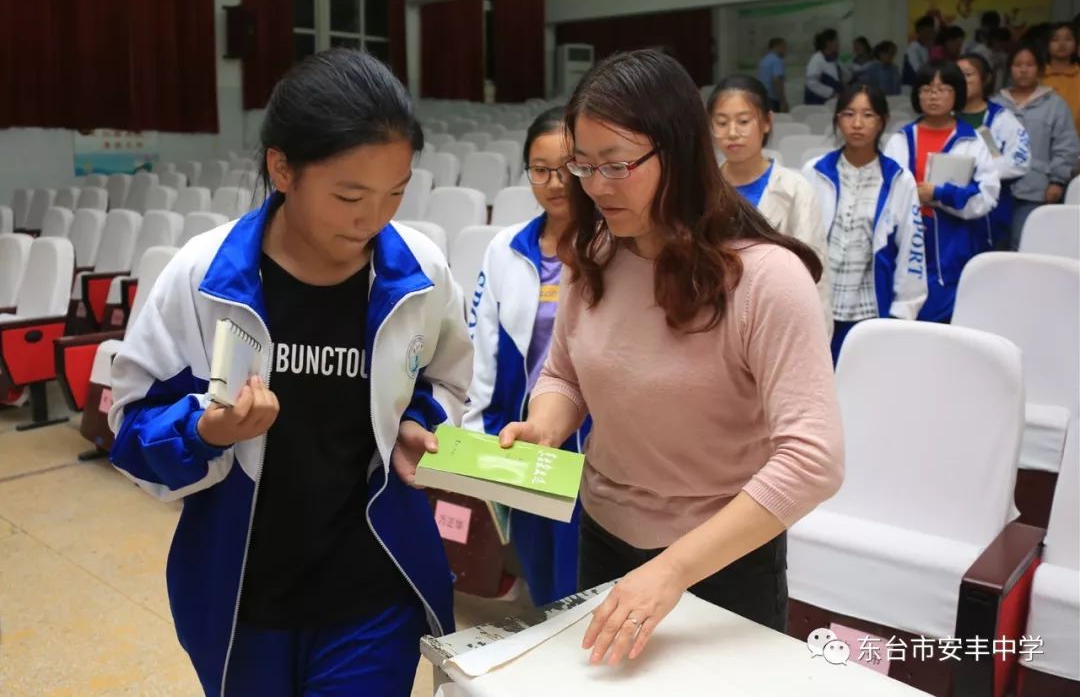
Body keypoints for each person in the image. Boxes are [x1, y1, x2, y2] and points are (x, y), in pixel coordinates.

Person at [107, 49, 473, 695]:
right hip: (246, 589)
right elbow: (131, 426)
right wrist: (204, 431)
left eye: (396, 192)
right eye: (349, 195)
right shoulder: (204, 276)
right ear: (283, 168)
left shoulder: (418, 271)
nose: (374, 217)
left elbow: (446, 378)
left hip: (373, 587)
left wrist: (420, 420)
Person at [499, 48, 843, 666]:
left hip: (722, 562)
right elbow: (564, 374)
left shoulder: (765, 277)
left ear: (678, 150)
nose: (597, 187)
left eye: (617, 165)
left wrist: (672, 570)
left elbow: (813, 460)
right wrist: (548, 423)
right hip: (604, 538)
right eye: (584, 166)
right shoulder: (596, 254)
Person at [463, 107, 589, 607]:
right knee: (539, 569)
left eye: (567, 168)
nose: (555, 183)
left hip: (590, 440)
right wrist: (476, 428)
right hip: (524, 435)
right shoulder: (505, 249)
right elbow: (483, 341)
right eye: (541, 170)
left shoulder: (613, 245)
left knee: (581, 574)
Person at [803, 84, 927, 362]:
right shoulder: (814, 172)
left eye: (868, 115)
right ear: (837, 119)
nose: (857, 124)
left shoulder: (898, 179)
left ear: (882, 121)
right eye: (848, 114)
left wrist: (903, 312)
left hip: (872, 310)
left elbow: (912, 249)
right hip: (819, 306)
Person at [708, 74, 832, 332]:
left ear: (767, 122)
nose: (732, 133)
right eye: (721, 122)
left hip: (778, 325)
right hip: (714, 325)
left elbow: (814, 276)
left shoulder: (796, 190)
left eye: (743, 121)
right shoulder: (702, 190)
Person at [884, 60, 998, 322]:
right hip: (906, 244)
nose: (933, 95)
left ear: (957, 92)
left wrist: (939, 193)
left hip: (952, 246)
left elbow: (986, 196)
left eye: (943, 88)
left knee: (946, 320)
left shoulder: (972, 140)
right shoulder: (900, 139)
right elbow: (886, 194)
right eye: (926, 89)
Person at [993, 44, 1080, 248]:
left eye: (1030, 65)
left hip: (1037, 188)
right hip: (997, 188)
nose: (1023, 70)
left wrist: (1057, 181)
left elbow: (1066, 145)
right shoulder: (996, 104)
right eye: (1017, 65)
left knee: (1023, 244)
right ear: (1009, 69)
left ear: (1040, 70)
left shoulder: (1055, 104)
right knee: (996, 245)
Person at [957, 53, 1031, 248]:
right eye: (956, 75)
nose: (961, 81)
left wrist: (976, 170)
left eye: (967, 74)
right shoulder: (944, 117)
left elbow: (1019, 162)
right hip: (948, 207)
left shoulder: (1002, 118)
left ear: (985, 78)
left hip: (991, 211)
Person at [1041, 22, 1080, 138]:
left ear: (1076, 45)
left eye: (1068, 39)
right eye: (1055, 39)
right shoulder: (1036, 77)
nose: (1062, 44)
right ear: (1047, 45)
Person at [805, 28, 843, 104]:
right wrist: (832, 93)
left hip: (833, 101)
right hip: (819, 103)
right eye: (836, 40)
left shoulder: (834, 58)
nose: (838, 44)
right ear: (828, 43)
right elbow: (811, 82)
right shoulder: (817, 58)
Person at [756, 37, 789, 113]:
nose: (785, 50)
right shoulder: (777, 60)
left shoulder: (764, 60)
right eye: (784, 47)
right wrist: (783, 100)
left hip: (763, 97)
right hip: (773, 99)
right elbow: (777, 80)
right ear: (778, 46)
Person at [903, 15, 936, 86]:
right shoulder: (913, 48)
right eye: (927, 32)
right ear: (919, 32)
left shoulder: (928, 48)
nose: (930, 35)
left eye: (932, 32)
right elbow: (919, 71)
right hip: (910, 87)